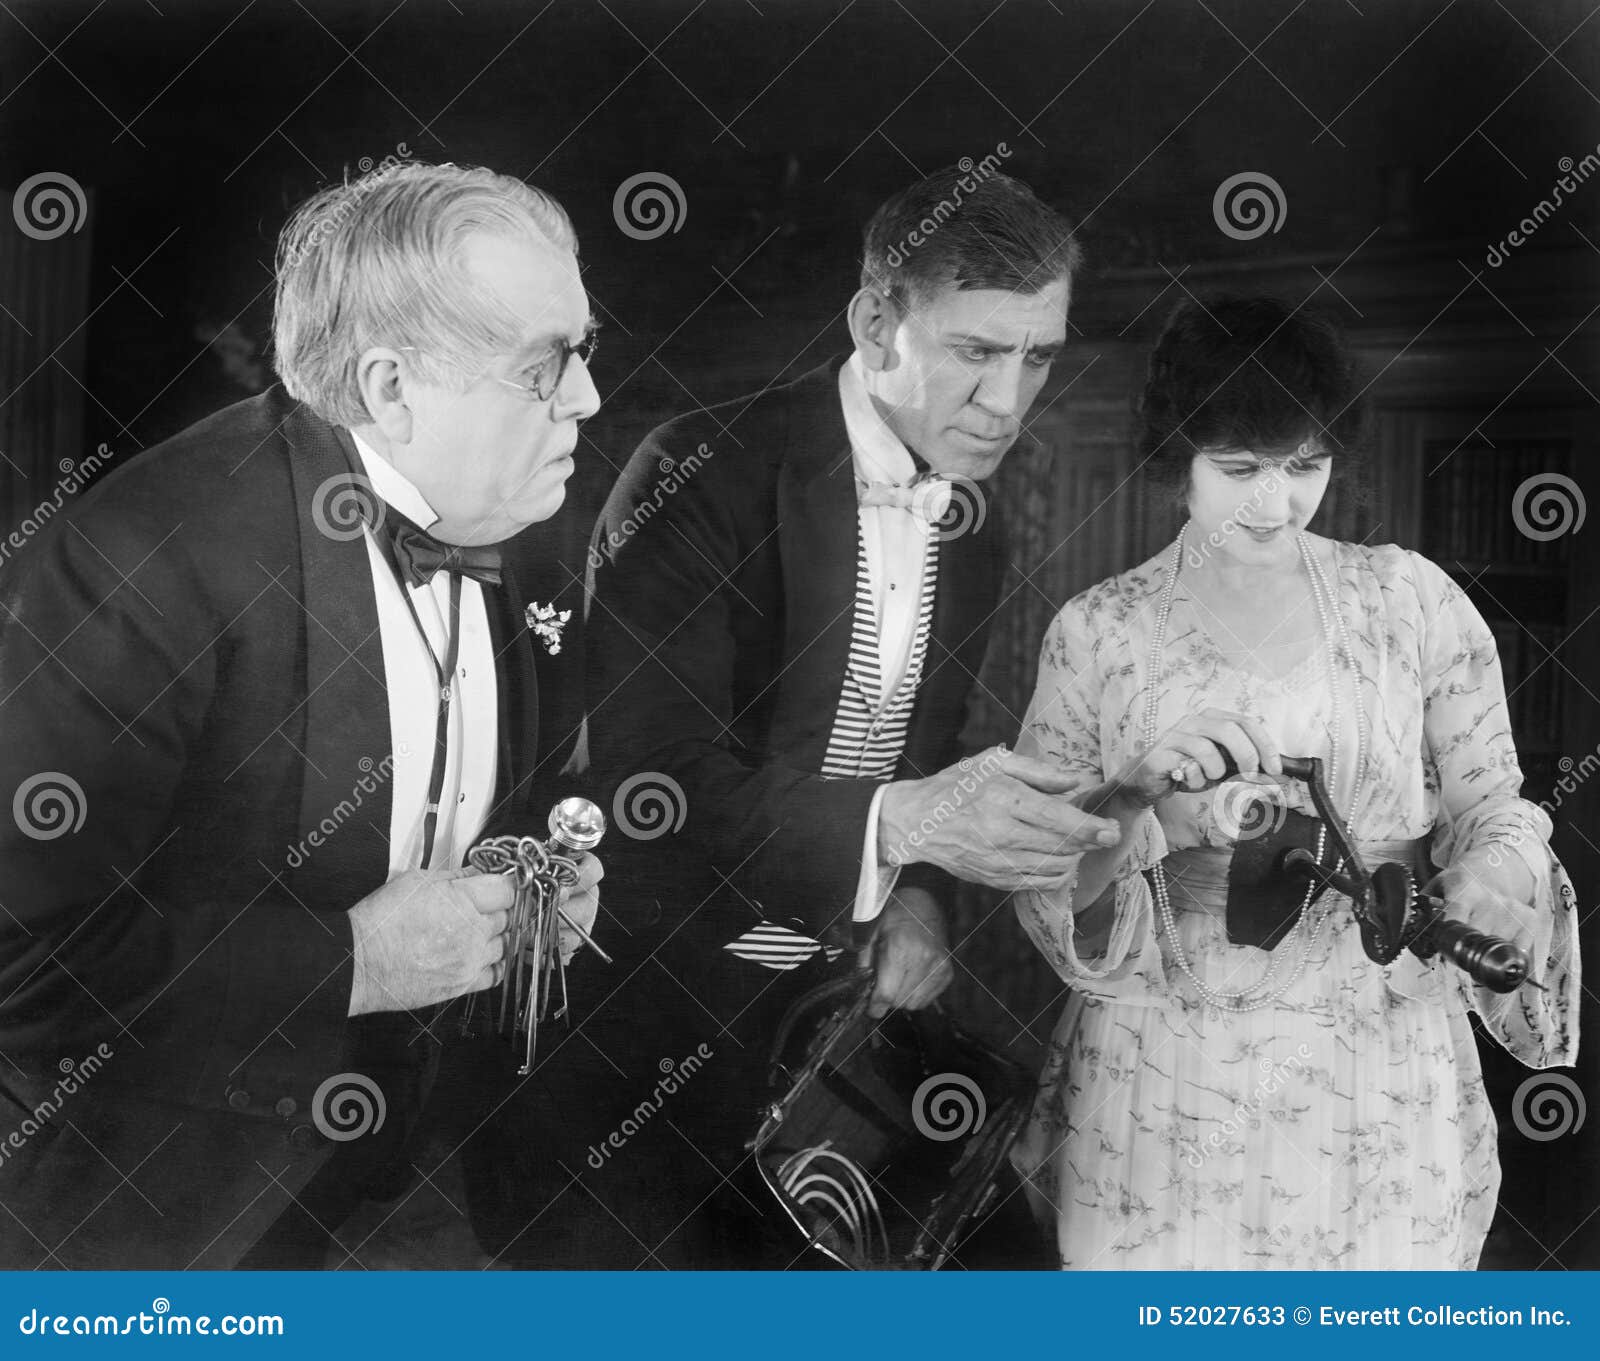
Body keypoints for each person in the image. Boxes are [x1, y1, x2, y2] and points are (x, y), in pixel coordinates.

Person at [0, 161, 603, 1269]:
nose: (586, 399)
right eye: (543, 366)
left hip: (414, 1191)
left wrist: (532, 874)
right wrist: (357, 960)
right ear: (390, 388)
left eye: (583, 349)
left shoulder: (529, 522)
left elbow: (515, 785)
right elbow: (25, 964)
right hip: (162, 1220)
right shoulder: (144, 554)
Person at [559, 166, 1120, 1269]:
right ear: (875, 324)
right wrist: (902, 829)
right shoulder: (695, 468)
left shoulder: (972, 520)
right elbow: (643, 783)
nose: (1009, 402)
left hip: (838, 1037)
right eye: (974, 352)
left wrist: (914, 899)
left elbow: (932, 757)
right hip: (652, 1031)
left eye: (1037, 356)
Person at [1009, 294, 1580, 1269]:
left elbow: (1498, 807)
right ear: (1173, 452)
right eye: (1238, 470)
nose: (1273, 502)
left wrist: (1493, 873)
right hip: (1171, 1066)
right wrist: (1143, 806)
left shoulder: (1408, 600)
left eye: (1302, 467)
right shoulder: (1101, 632)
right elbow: (1044, 868)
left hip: (1377, 1059)